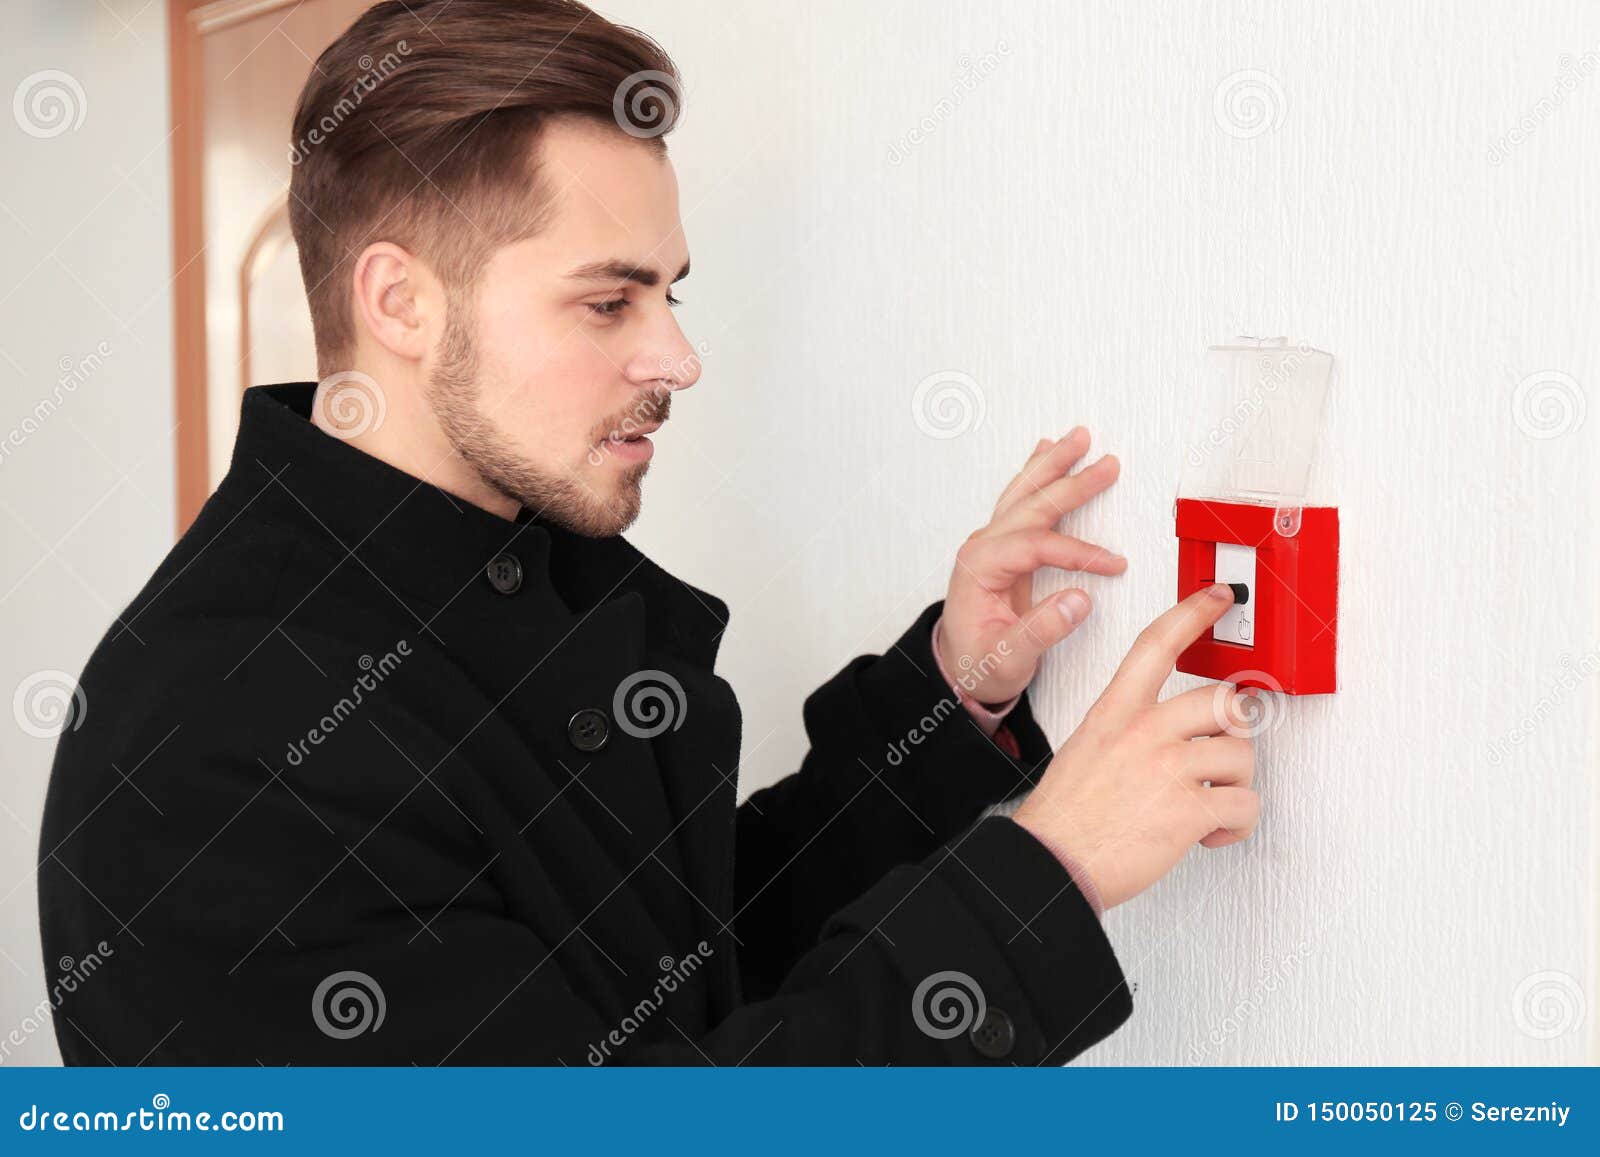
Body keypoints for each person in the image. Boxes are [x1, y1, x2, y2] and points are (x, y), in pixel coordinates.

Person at [37, 0, 1257, 1065]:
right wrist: (1053, 872)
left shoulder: (502, 573)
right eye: (607, 299)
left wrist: (946, 700)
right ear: (400, 301)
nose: (677, 356)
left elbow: (675, 969)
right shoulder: (224, 744)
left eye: (668, 293)